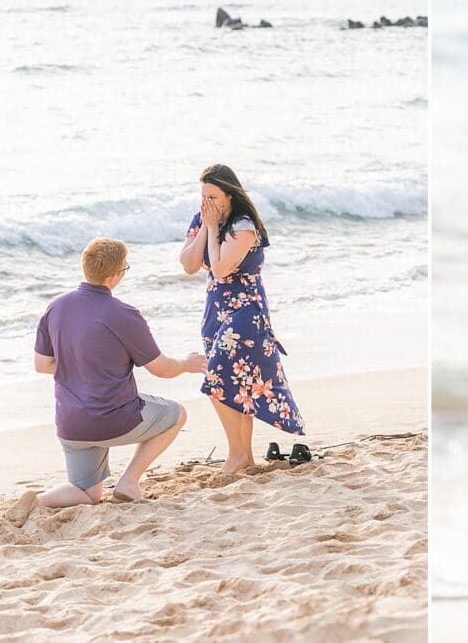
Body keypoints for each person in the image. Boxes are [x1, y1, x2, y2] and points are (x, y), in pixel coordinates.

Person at [30, 237, 206, 511]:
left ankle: (36, 501)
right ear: (115, 275)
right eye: (125, 267)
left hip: (71, 424)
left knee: (87, 494)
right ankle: (129, 482)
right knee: (177, 414)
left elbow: (42, 365)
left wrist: (81, 369)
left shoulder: (56, 306)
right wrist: (187, 363)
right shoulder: (123, 314)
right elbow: (161, 369)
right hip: (114, 420)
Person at [179, 164, 305, 475]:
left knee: (217, 376)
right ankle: (244, 456)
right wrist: (207, 226)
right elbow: (189, 264)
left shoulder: (244, 225)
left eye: (214, 196)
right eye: (203, 196)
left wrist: (212, 230)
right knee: (239, 382)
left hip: (245, 309)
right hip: (215, 310)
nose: (207, 203)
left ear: (230, 194)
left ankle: (236, 454)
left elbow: (221, 268)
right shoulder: (204, 220)